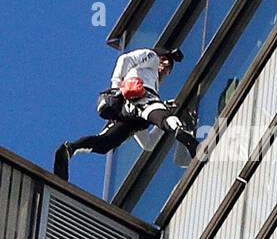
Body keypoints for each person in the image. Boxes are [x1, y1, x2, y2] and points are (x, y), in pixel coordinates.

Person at [54, 46, 201, 180]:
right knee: (160, 115)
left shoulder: (152, 79)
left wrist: (163, 115)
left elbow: (148, 144)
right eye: (165, 62)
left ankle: (70, 148)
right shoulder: (152, 58)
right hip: (138, 95)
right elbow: (125, 59)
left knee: (105, 143)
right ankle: (180, 130)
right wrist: (115, 88)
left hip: (129, 115)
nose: (166, 68)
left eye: (168, 69)